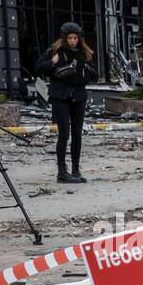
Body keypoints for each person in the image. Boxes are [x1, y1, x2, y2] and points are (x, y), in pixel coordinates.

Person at [35, 22, 96, 184]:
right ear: (64, 38)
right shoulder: (55, 51)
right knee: (64, 134)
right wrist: (52, 62)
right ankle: (62, 172)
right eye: (69, 38)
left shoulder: (84, 52)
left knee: (77, 134)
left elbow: (95, 73)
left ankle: (76, 170)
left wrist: (88, 70)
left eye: (75, 38)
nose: (73, 41)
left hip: (79, 96)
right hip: (60, 96)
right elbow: (38, 67)